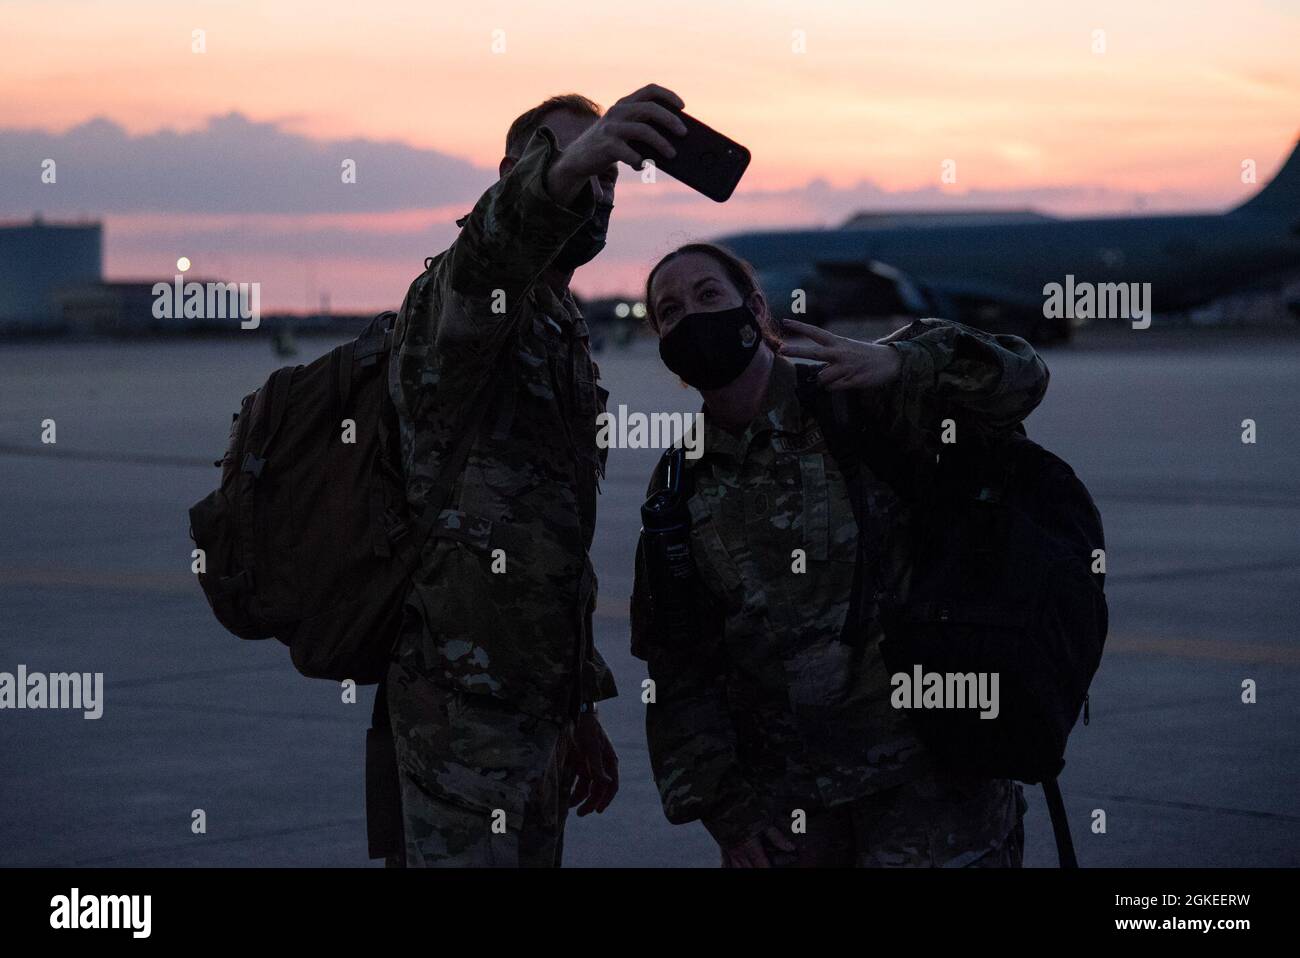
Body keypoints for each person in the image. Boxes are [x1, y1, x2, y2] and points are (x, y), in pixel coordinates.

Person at [630, 242, 1051, 867]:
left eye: (707, 295)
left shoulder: (858, 396)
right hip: (791, 813)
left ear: (755, 309)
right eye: (669, 311)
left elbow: (1021, 379)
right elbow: (679, 664)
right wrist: (726, 811)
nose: (690, 315)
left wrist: (903, 364)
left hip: (930, 788)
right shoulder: (680, 483)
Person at [385, 85, 689, 866]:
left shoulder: (562, 327)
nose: (593, 188)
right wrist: (564, 171)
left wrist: (574, 706)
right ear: (510, 172)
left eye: (608, 178)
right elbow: (493, 250)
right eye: (568, 161)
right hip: (461, 711)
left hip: (534, 709)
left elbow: (552, 544)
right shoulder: (462, 293)